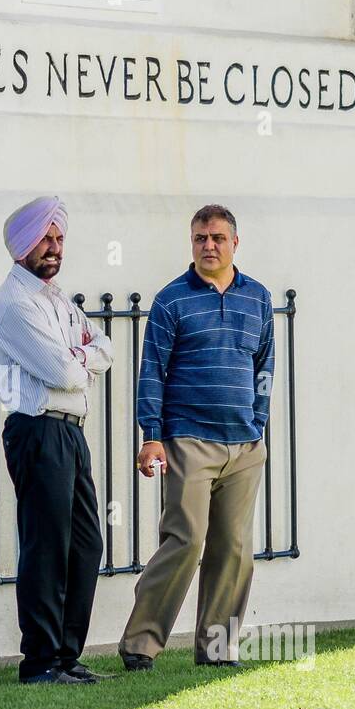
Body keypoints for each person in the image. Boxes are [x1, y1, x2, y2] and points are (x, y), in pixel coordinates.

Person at [119, 204, 274, 671]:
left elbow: (264, 366)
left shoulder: (259, 298)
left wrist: (258, 425)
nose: (209, 245)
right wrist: (152, 436)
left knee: (234, 550)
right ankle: (140, 644)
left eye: (218, 238)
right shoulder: (172, 300)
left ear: (235, 244)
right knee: (185, 540)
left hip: (244, 445)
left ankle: (216, 650)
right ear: (192, 244)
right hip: (188, 440)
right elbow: (152, 373)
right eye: (201, 238)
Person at [0, 195, 114, 684]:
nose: (54, 247)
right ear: (22, 246)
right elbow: (63, 370)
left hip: (71, 433)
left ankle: (65, 656)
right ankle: (39, 663)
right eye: (45, 239)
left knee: (84, 544)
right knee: (46, 545)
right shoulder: (14, 305)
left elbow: (106, 346)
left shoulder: (57, 300)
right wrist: (81, 359)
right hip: (38, 430)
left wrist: (83, 356)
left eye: (59, 239)